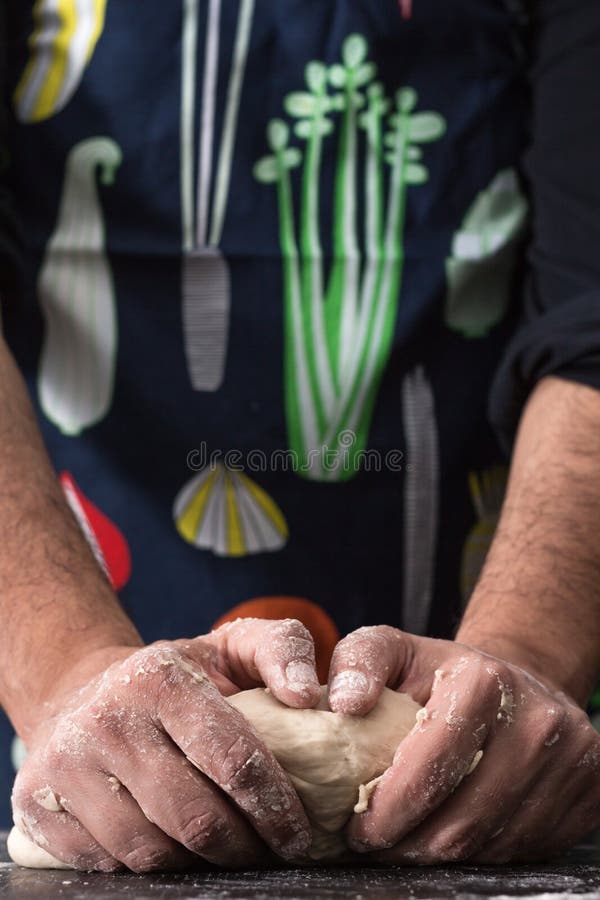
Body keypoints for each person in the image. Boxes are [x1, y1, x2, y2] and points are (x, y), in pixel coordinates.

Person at [0, 0, 599, 871]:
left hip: (492, 575)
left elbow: (594, 318)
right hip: (67, 598)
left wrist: (524, 660)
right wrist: (65, 676)